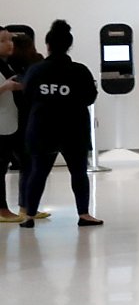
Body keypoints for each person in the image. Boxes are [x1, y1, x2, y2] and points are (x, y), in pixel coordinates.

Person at [17, 21, 100, 230]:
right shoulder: (80, 71)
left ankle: (28, 216)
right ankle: (84, 214)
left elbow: (26, 97)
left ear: (48, 45)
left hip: (42, 128)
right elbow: (90, 97)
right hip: (74, 129)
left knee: (38, 172)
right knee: (79, 173)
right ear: (69, 45)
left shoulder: (36, 70)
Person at [0, 25, 28, 222]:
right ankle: (2, 209)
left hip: (12, 123)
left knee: (26, 162)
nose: (9, 44)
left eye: (10, 39)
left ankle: (26, 206)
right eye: (3, 41)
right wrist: (6, 87)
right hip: (2, 126)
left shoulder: (7, 64)